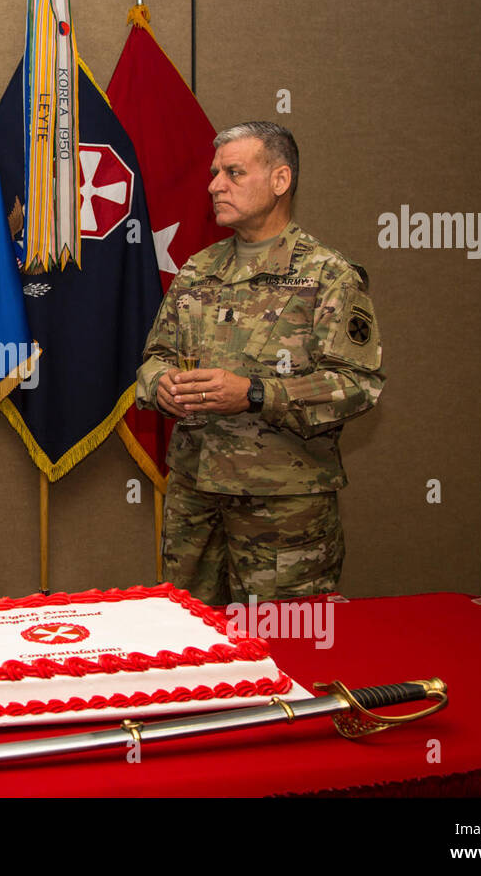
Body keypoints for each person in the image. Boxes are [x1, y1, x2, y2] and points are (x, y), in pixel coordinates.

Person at [135, 121, 384, 605]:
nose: (214, 185)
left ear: (280, 181)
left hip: (282, 508)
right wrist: (160, 384)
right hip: (195, 494)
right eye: (214, 173)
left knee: (288, 651)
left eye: (233, 172)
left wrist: (253, 393)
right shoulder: (199, 269)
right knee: (191, 641)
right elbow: (155, 357)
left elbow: (358, 384)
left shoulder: (327, 275)